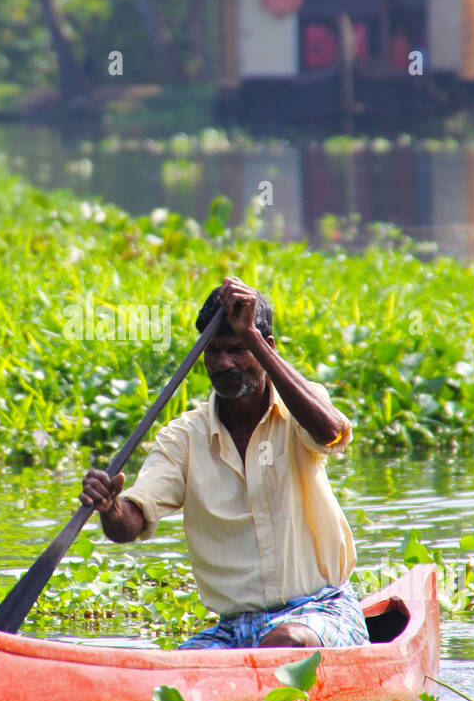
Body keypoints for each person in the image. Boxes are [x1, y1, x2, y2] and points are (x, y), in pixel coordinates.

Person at [79, 276, 368, 649]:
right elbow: (128, 525)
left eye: (237, 349)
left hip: (321, 611)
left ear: (267, 349)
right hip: (234, 629)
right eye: (213, 351)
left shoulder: (300, 406)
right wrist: (109, 506)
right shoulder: (183, 437)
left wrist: (253, 339)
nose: (224, 363)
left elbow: (329, 431)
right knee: (174, 676)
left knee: (283, 644)